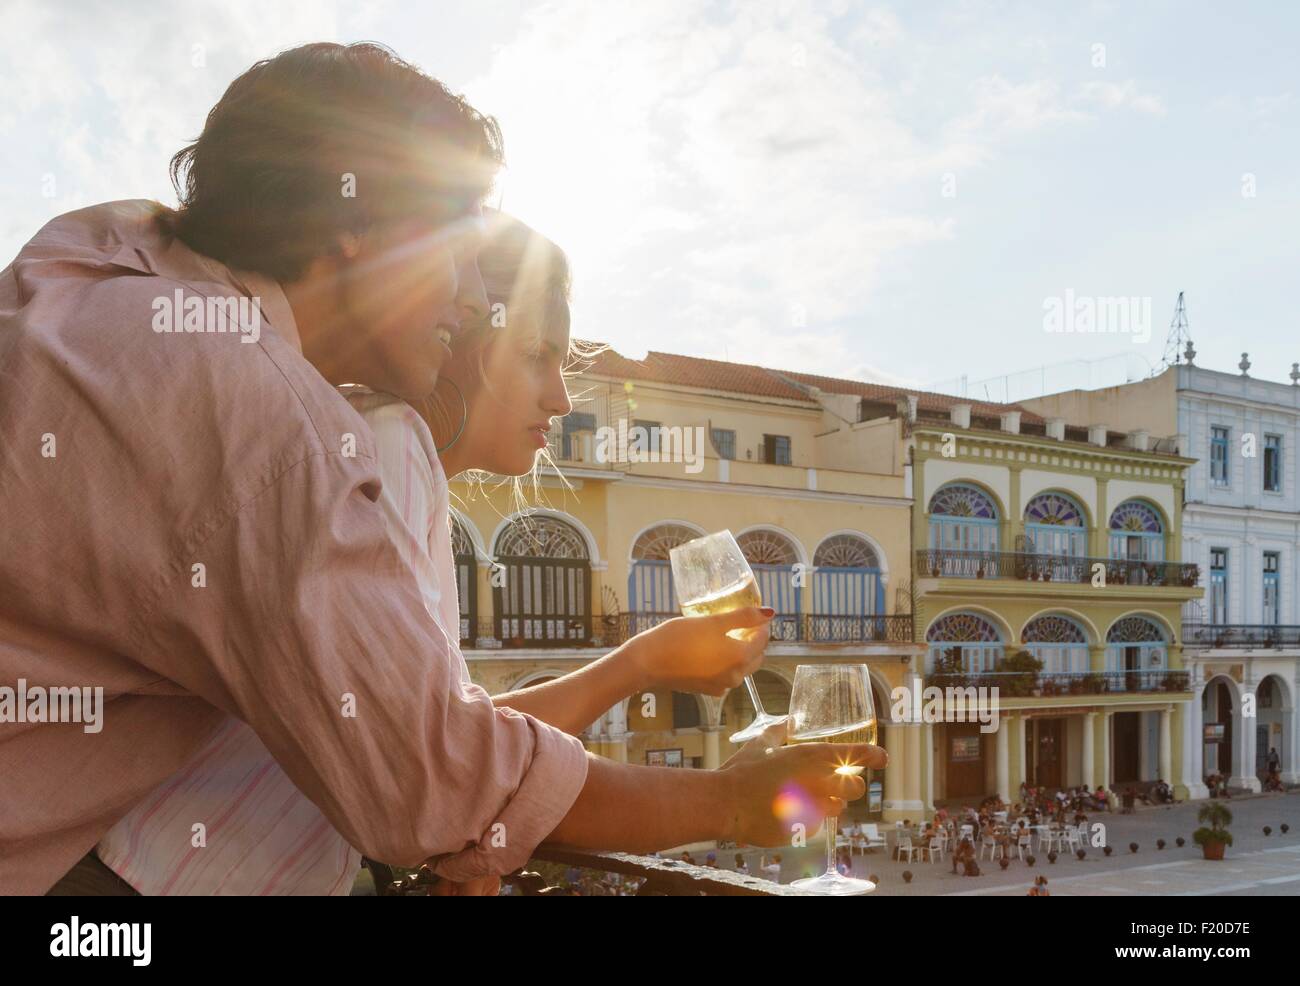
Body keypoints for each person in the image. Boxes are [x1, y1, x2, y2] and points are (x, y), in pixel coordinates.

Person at [3, 42, 884, 895]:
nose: (468, 296)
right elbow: (435, 778)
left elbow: (424, 748)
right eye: (457, 247)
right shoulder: (262, 412)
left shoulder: (99, 260)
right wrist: (734, 800)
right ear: (354, 224)